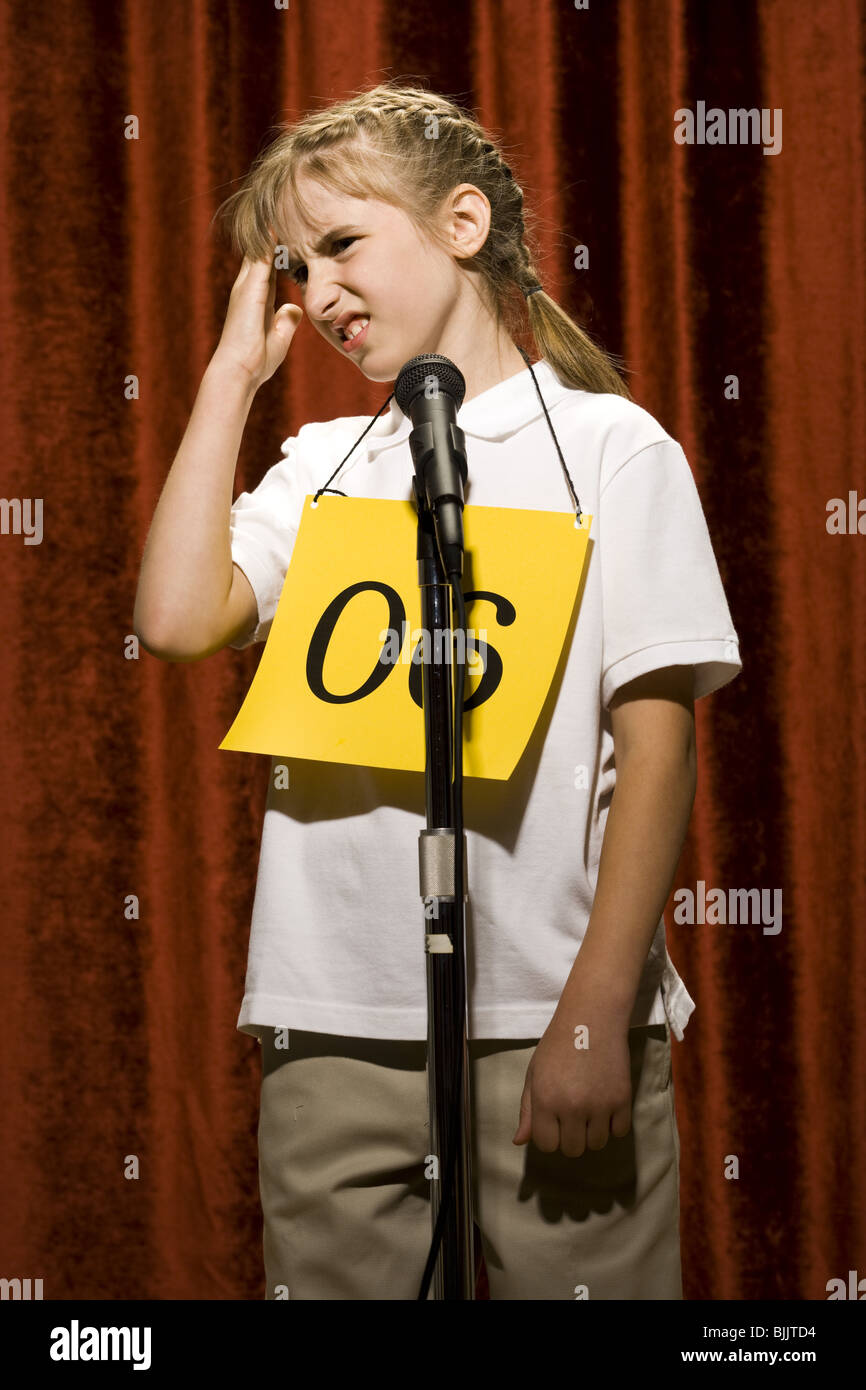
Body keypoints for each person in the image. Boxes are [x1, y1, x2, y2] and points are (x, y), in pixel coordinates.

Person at [133, 81, 742, 1300]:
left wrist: (593, 1009)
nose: (318, 291)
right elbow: (176, 618)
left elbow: (655, 747)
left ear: (461, 226)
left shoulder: (617, 450)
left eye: (343, 243)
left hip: (547, 1010)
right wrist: (229, 377)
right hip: (332, 1013)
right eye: (294, 268)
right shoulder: (321, 463)